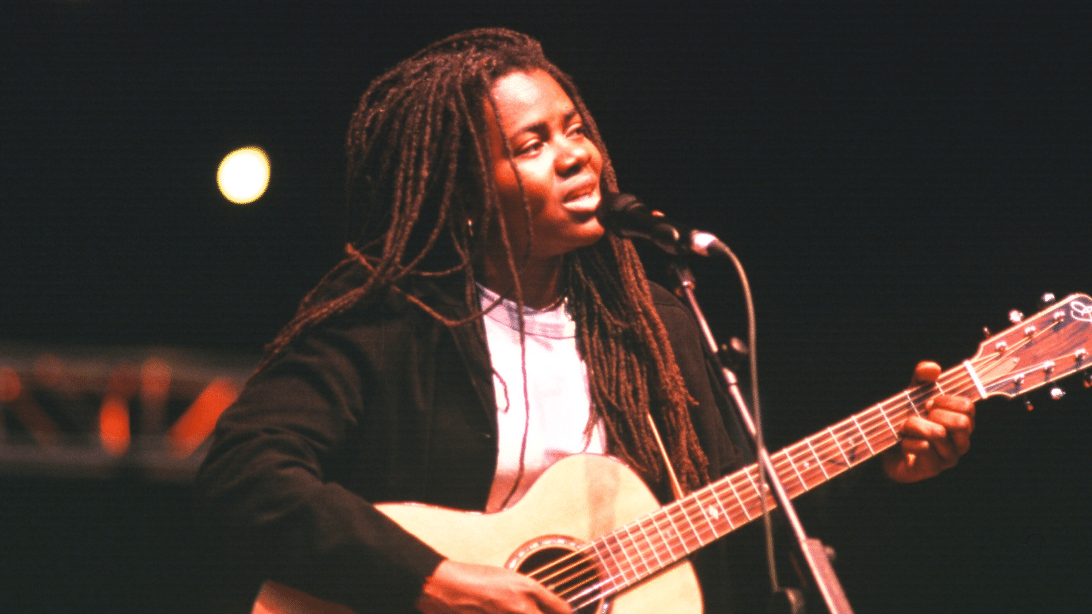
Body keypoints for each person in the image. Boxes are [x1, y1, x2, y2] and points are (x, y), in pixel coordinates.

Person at [195, 28, 975, 614]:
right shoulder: (393, 317)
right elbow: (246, 475)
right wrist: (438, 581)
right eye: (532, 144)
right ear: (468, 188)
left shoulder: (653, 328)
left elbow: (750, 513)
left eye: (575, 129)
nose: (577, 157)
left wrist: (891, 469)